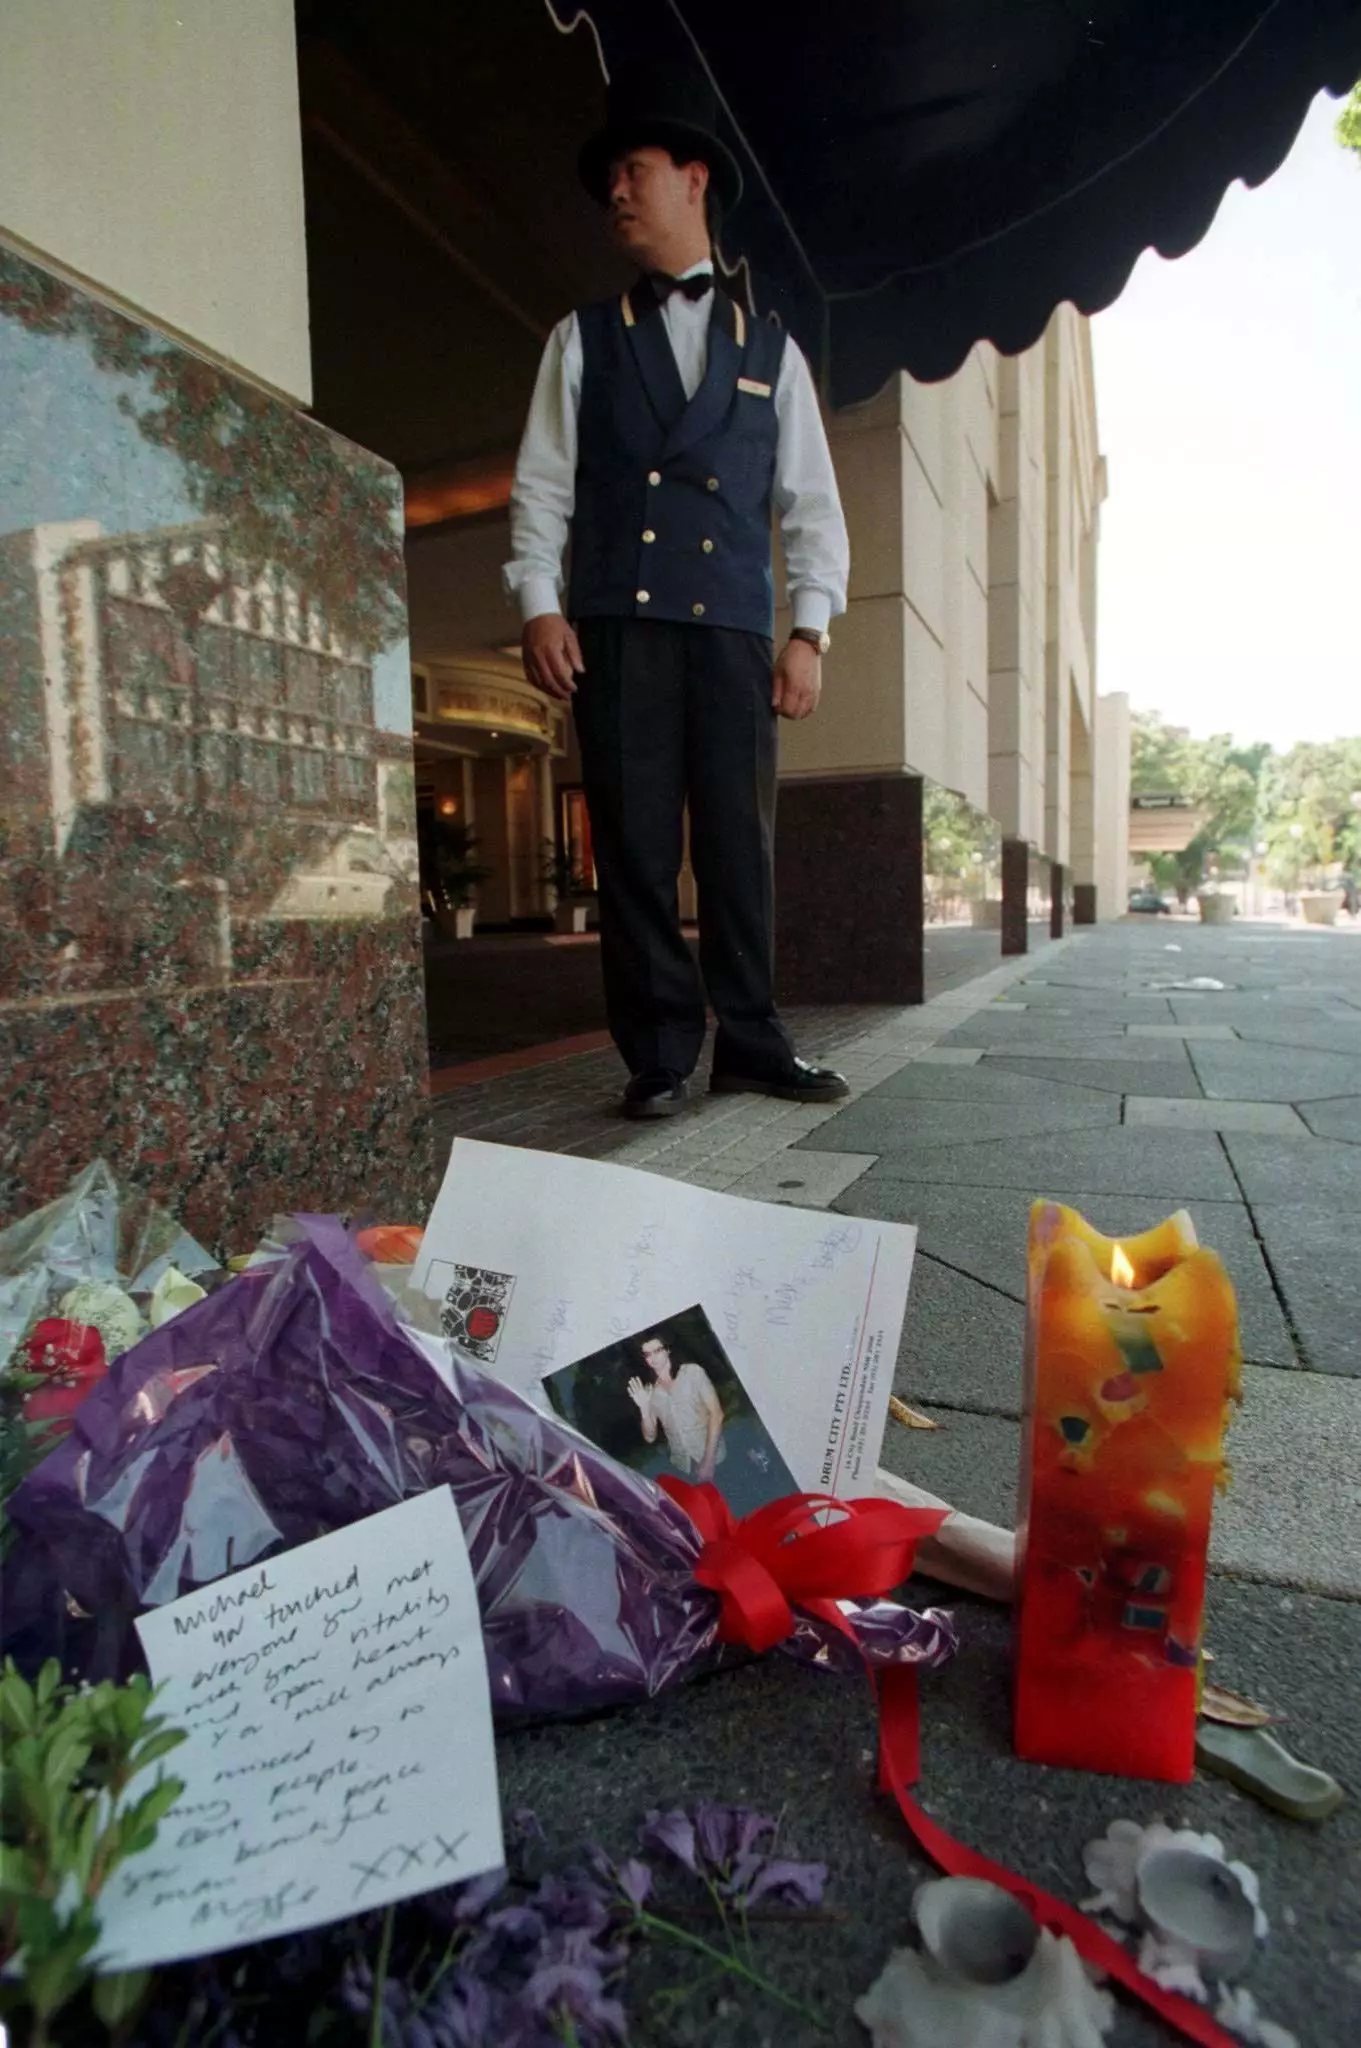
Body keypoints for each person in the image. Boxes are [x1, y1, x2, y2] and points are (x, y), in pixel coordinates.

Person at [505, 62, 851, 1120]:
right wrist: (537, 601)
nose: (615, 190)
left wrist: (810, 629)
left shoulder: (772, 348)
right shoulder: (579, 339)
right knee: (636, 847)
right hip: (616, 629)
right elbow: (540, 486)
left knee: (738, 847)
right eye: (609, 175)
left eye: (634, 170)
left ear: (692, 179)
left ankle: (750, 1039)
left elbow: (811, 502)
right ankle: (657, 1051)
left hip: (734, 633)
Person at [626, 1332, 724, 1485]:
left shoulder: (692, 1372)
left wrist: (709, 1461)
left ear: (667, 1350)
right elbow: (650, 1437)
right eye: (647, 1354)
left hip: (714, 1458)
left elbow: (717, 1414)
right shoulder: (649, 1391)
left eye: (657, 1351)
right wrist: (644, 1408)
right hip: (682, 1467)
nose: (653, 1358)